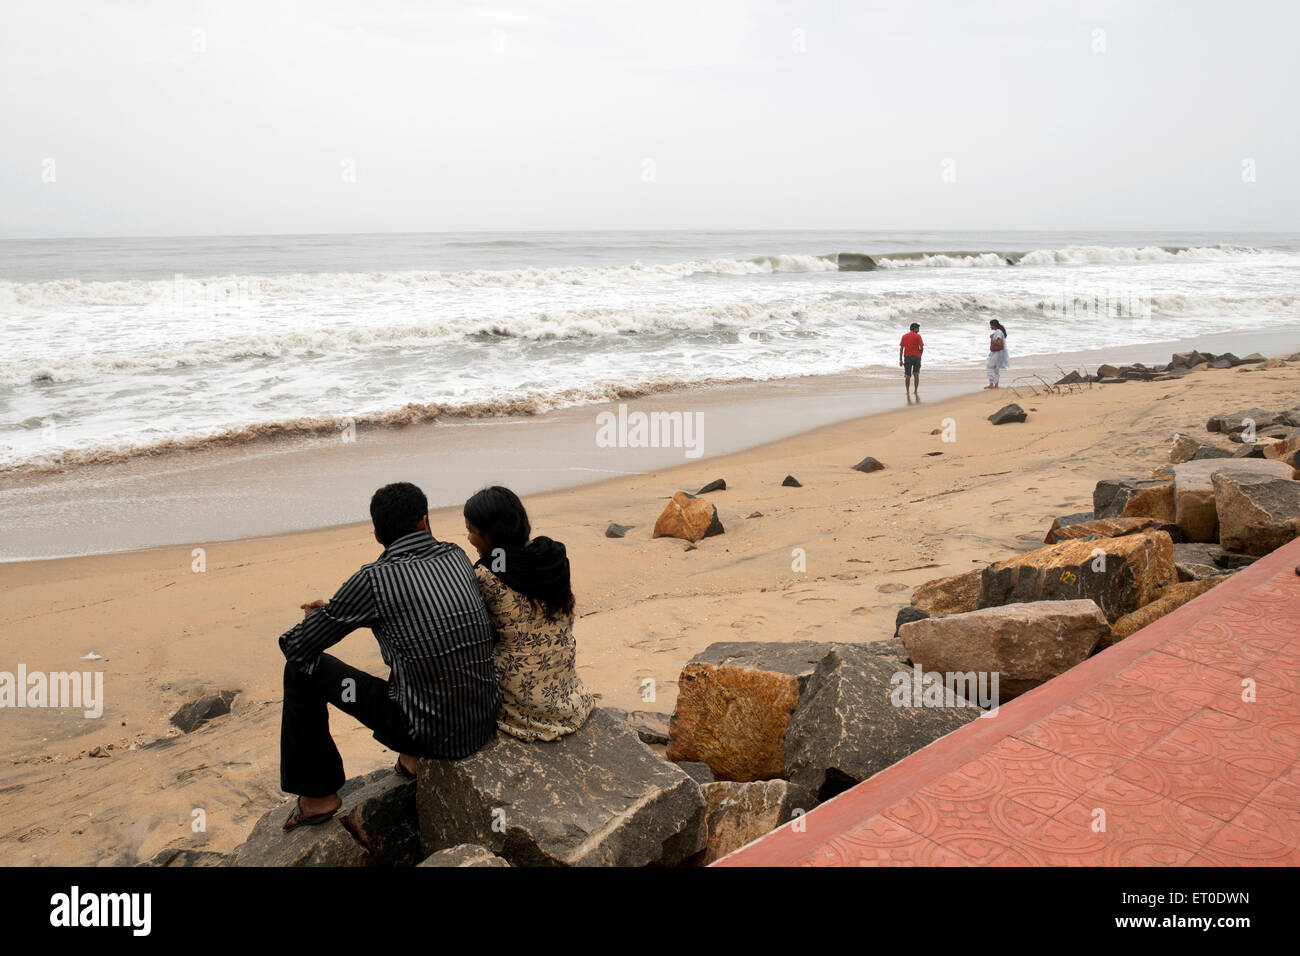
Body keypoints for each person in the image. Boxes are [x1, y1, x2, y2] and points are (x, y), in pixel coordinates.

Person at [276, 481, 501, 830]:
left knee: (300, 670)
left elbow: (297, 646)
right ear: (424, 521)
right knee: (423, 655)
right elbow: (421, 616)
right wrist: (343, 611)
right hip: (482, 723)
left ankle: (318, 796)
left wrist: (320, 620)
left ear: (377, 536)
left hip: (429, 735)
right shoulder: (456, 555)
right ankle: (410, 760)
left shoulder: (373, 579)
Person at [463, 486, 594, 742]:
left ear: (489, 533)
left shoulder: (485, 577)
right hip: (565, 690)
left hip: (522, 705)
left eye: (471, 530)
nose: (469, 538)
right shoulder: (554, 558)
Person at [899, 322, 924, 398]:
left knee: (907, 375)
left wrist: (900, 359)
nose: (918, 330)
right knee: (916, 374)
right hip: (916, 357)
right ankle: (915, 390)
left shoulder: (904, 336)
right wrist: (920, 355)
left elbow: (901, 348)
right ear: (915, 328)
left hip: (907, 357)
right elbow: (921, 347)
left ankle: (907, 391)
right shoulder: (918, 336)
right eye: (918, 328)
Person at [985, 319, 1010, 388]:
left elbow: (998, 343)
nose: (990, 327)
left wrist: (992, 338)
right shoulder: (999, 331)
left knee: (989, 367)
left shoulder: (998, 332)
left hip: (997, 352)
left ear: (994, 325)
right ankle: (996, 385)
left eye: (991, 325)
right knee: (996, 368)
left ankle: (991, 384)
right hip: (1000, 353)